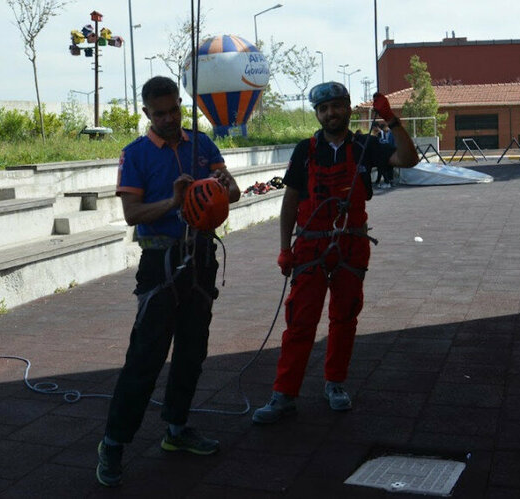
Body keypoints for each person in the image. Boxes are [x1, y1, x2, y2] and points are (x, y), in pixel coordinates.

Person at [96, 76, 240, 487]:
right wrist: (175, 203)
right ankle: (113, 443)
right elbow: (132, 214)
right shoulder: (135, 154)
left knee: (193, 350)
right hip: (159, 259)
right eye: (159, 113)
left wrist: (225, 189)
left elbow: (232, 193)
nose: (169, 118)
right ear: (146, 113)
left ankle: (176, 430)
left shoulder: (203, 145)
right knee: (145, 355)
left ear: (180, 104)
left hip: (201, 257)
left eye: (174, 109)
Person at [252, 82, 418, 424]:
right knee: (300, 321)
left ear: (348, 109)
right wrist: (285, 249)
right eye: (324, 108)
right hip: (311, 246)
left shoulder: (365, 146)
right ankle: (284, 393)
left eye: (337, 106)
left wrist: (392, 120)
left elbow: (408, 158)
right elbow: (290, 201)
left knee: (344, 318)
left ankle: (335, 383)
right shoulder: (305, 150)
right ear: (318, 113)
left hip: (350, 245)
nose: (331, 113)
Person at [373, 122, 398, 186]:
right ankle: (387, 180)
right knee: (386, 166)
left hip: (391, 151)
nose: (384, 131)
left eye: (384, 129)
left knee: (390, 167)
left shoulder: (392, 133)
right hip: (385, 152)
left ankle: (390, 180)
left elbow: (394, 143)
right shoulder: (384, 133)